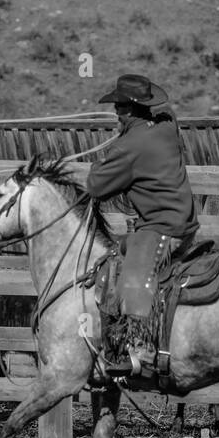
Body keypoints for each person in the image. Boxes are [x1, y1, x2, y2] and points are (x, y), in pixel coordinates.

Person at [86, 73, 200, 287]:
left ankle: (137, 322)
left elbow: (95, 186)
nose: (115, 113)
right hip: (186, 227)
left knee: (129, 296)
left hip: (161, 233)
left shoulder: (127, 147)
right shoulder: (167, 123)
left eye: (118, 107)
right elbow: (162, 110)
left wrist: (103, 160)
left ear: (128, 109)